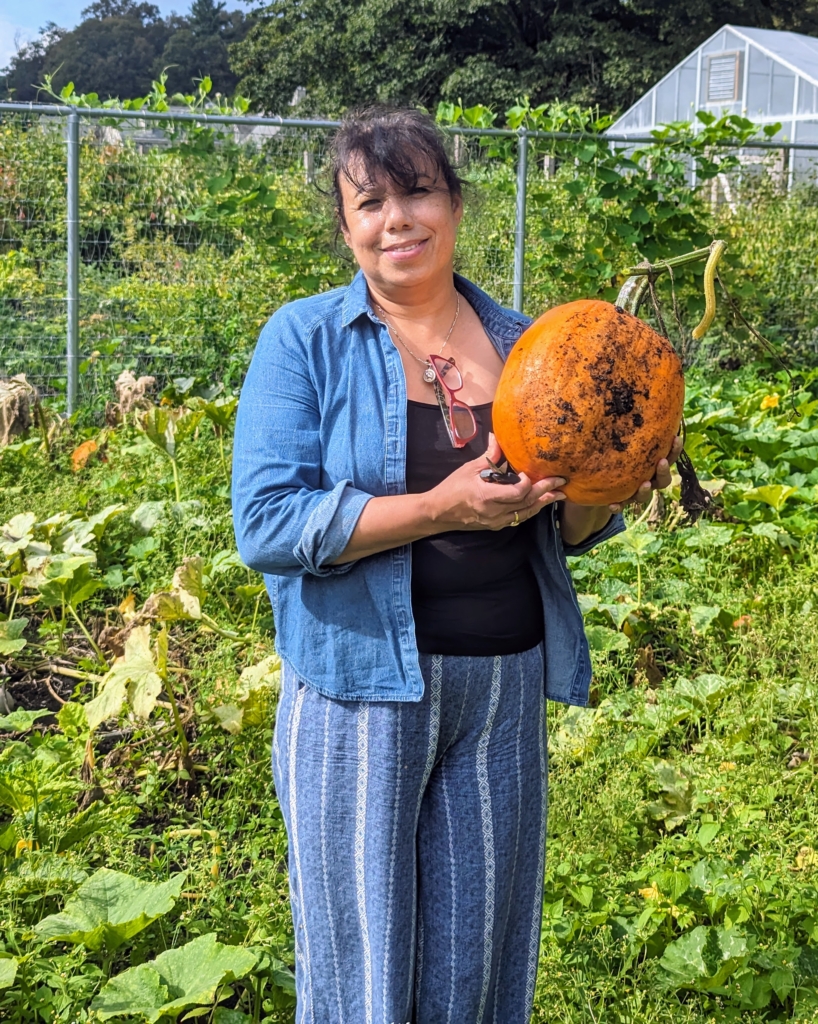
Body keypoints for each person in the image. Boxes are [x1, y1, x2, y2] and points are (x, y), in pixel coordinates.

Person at [232, 106, 680, 1024]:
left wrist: (616, 471)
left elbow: (574, 527)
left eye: (418, 192)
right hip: (360, 691)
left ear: (455, 205)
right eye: (371, 202)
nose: (397, 219)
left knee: (475, 961)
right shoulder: (305, 341)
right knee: (363, 967)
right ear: (348, 225)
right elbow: (269, 525)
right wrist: (442, 509)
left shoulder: (533, 345)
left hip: (503, 687)